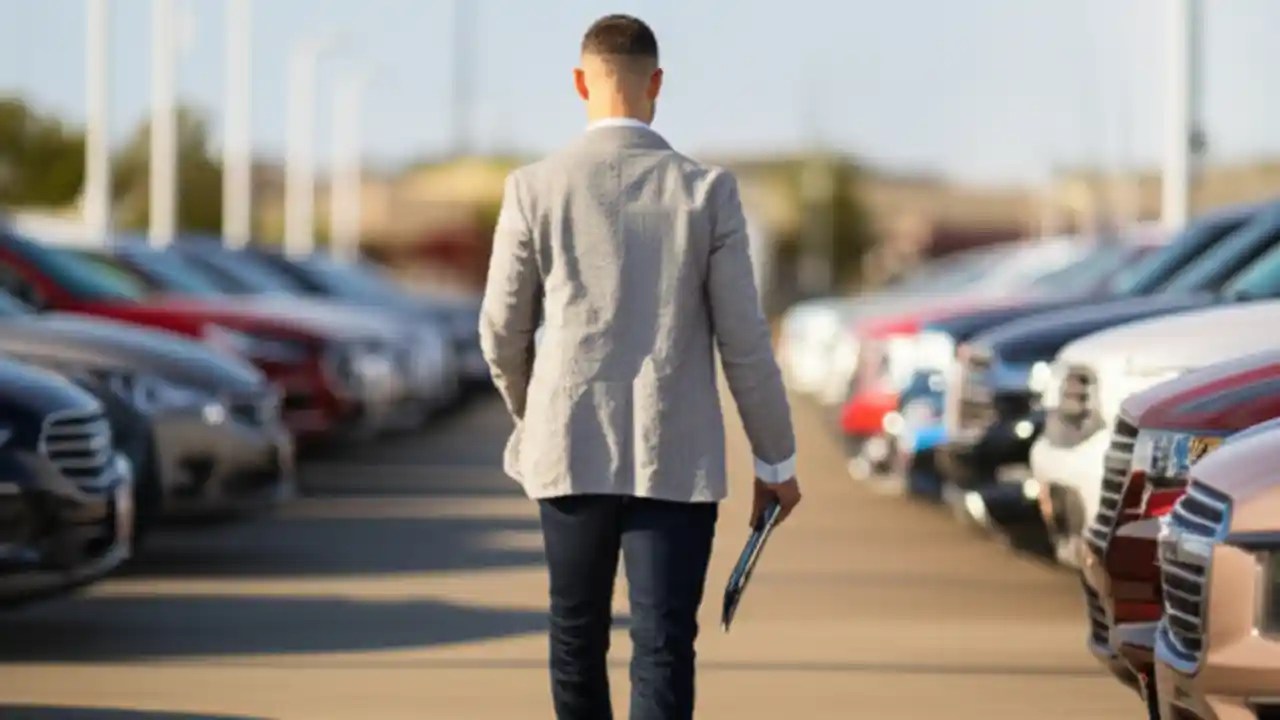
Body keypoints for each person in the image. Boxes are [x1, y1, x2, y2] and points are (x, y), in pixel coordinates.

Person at [479, 14, 801, 720]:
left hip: (567, 448)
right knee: (663, 645)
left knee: (575, 637)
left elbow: (501, 330)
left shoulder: (533, 188)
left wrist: (534, 413)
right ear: (657, 82)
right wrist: (775, 460)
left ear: (579, 82)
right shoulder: (706, 192)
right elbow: (745, 341)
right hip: (676, 457)